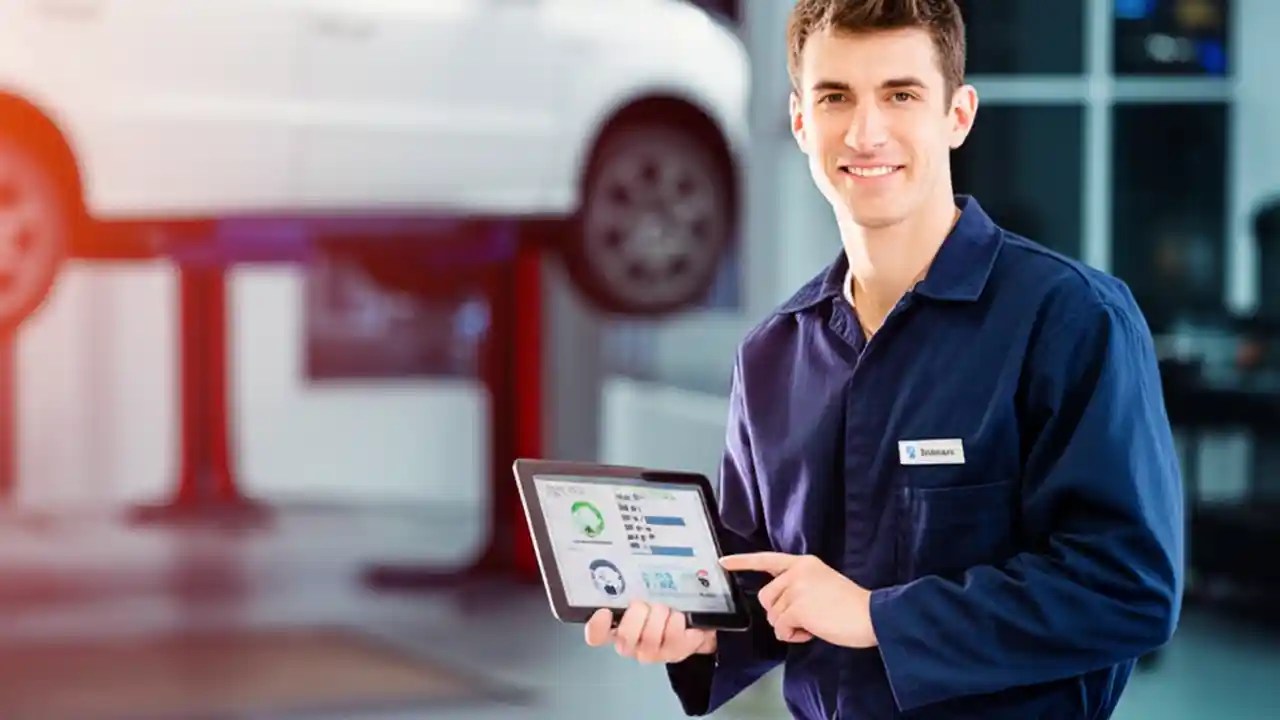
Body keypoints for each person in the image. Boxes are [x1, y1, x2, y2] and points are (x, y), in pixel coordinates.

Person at [583, 0, 1184, 717]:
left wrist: (877, 616)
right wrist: (698, 634)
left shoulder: (1071, 320)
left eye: (900, 95)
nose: (865, 133)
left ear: (957, 115)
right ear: (800, 121)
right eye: (835, 97)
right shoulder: (773, 355)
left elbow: (1127, 588)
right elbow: (760, 589)